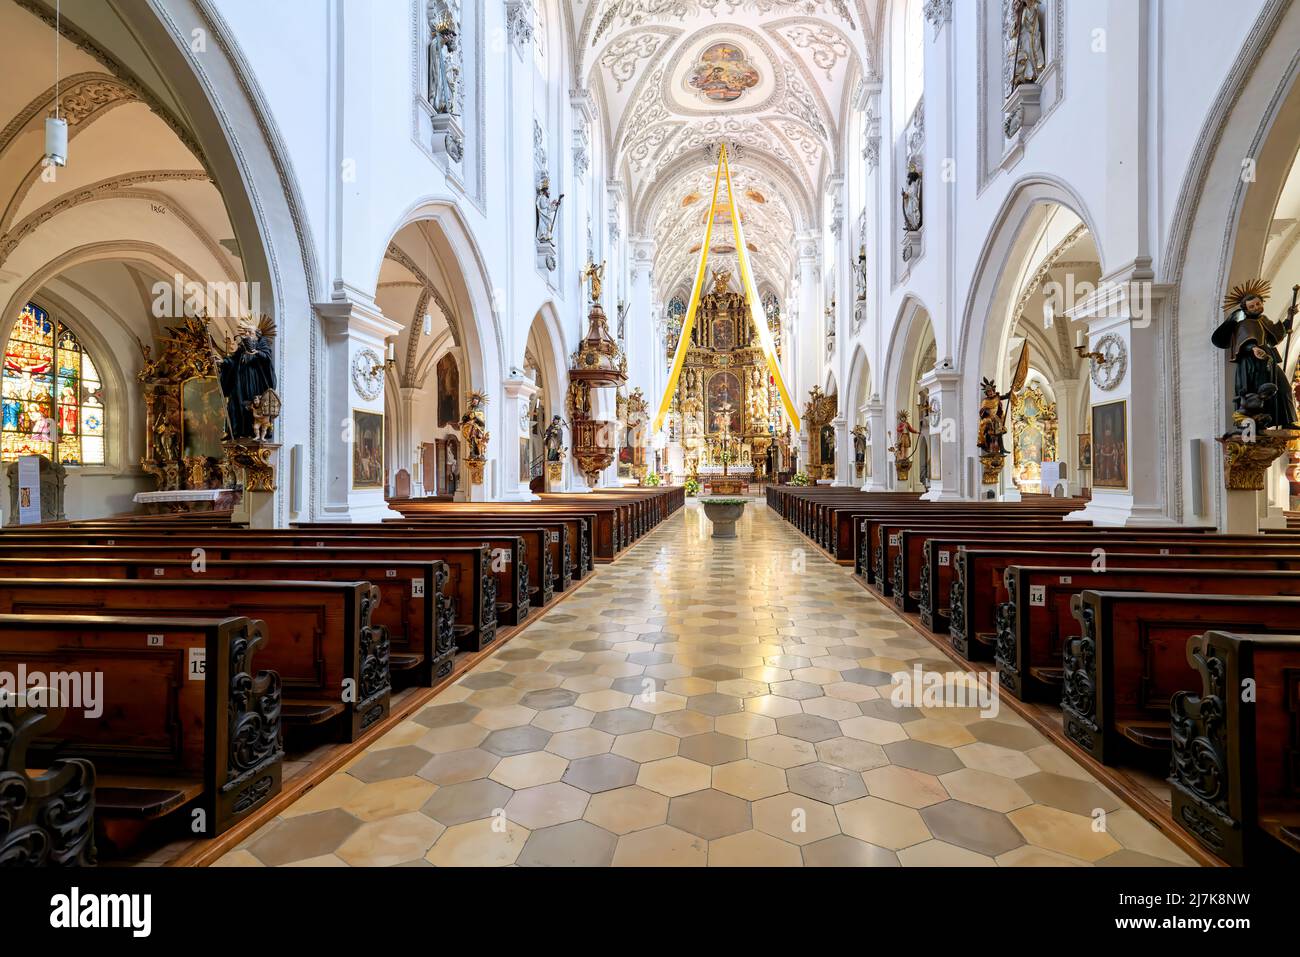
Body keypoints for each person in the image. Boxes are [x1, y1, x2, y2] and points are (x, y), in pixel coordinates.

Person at [1211, 280, 1297, 431]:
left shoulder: (1264, 320)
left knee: (1284, 388)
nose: (1256, 307)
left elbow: (1277, 334)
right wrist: (1253, 348)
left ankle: (1287, 421)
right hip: (1253, 366)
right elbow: (1243, 342)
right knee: (1259, 395)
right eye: (1252, 306)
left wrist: (1289, 317)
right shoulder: (1243, 324)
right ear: (1246, 309)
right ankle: (1258, 425)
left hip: (1268, 360)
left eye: (1258, 304)